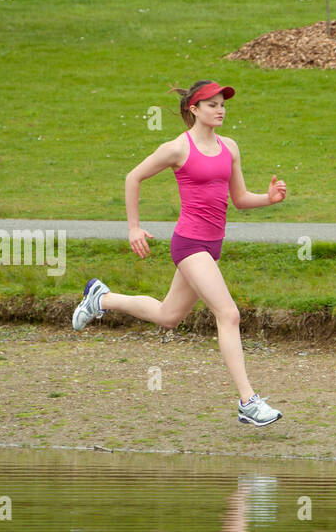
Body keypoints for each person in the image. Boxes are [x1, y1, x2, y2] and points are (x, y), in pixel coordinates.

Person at [72, 80, 287, 427]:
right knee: (228, 314)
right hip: (189, 244)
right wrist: (133, 227)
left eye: (223, 104)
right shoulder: (177, 149)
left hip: (212, 246)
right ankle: (248, 402)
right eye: (212, 105)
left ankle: (101, 298)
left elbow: (240, 198)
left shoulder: (229, 147)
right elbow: (133, 177)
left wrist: (268, 199)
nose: (220, 110)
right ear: (194, 109)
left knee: (168, 315)